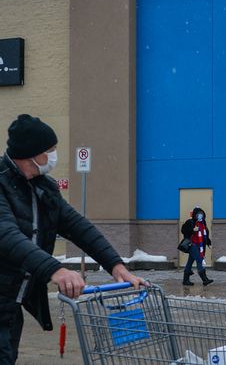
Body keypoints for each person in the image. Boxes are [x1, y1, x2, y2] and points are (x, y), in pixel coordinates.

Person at [0, 114, 146, 362]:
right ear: (30, 153)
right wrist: (55, 270)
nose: (54, 155)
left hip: (10, 306)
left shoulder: (43, 187)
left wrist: (115, 265)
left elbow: (78, 227)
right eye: (50, 150)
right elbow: (7, 235)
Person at [181, 206, 213, 286]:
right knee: (199, 260)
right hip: (193, 245)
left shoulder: (203, 223)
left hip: (200, 245)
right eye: (198, 214)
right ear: (195, 215)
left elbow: (205, 235)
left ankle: (185, 280)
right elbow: (183, 230)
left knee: (190, 262)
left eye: (201, 213)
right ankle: (204, 279)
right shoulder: (190, 222)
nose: (200, 215)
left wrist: (208, 242)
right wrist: (192, 230)